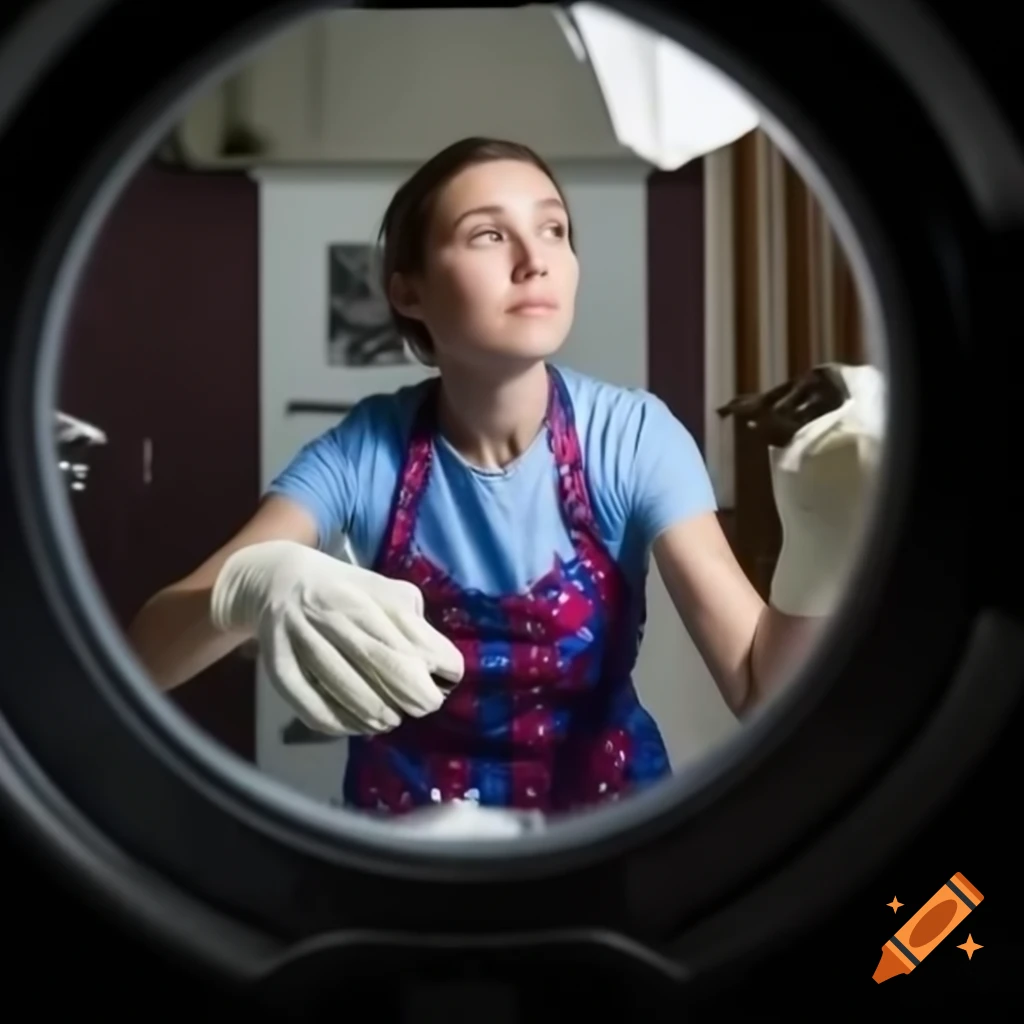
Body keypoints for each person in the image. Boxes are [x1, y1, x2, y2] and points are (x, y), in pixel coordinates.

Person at [127, 137, 880, 820]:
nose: (536, 257)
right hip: (408, 850)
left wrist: (823, 546)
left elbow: (760, 689)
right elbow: (146, 661)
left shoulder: (635, 437)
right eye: (488, 234)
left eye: (554, 228)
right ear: (407, 290)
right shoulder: (364, 450)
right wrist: (247, 588)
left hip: (609, 845)